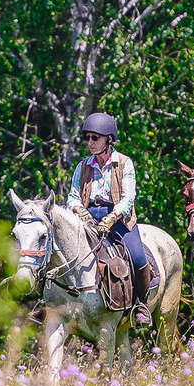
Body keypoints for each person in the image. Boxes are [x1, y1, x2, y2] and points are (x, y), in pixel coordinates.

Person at [65, 112, 154, 327]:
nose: (90, 143)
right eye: (88, 138)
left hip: (119, 219)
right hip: (87, 218)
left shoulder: (124, 163)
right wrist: (80, 210)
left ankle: (140, 305)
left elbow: (128, 198)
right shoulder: (82, 166)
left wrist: (111, 217)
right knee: (61, 248)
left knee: (138, 257)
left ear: (109, 140)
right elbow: (73, 196)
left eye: (95, 138)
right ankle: (49, 300)